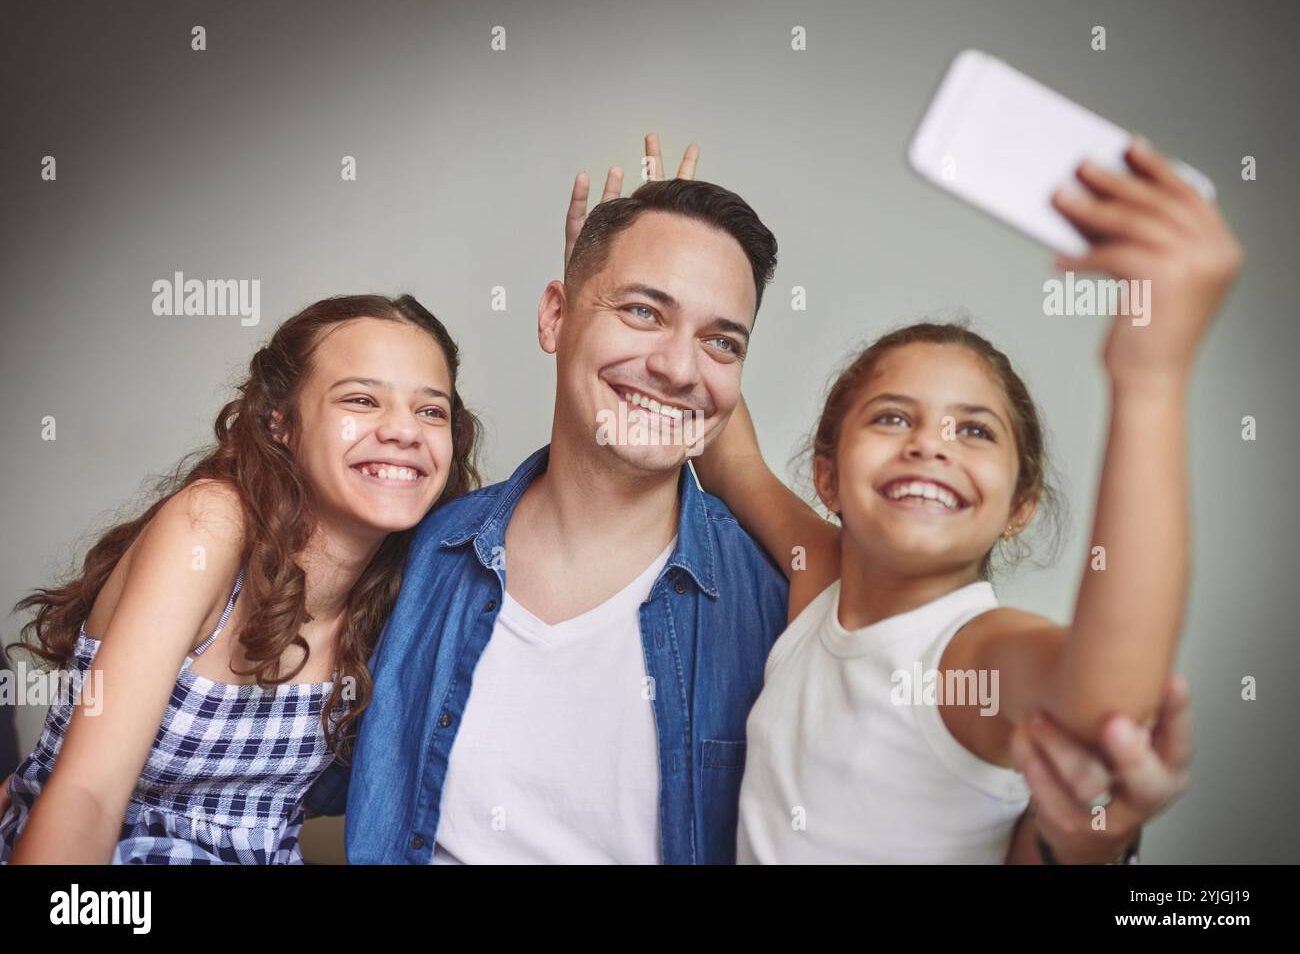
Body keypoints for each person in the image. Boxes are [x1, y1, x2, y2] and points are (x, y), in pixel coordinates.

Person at [302, 137, 1196, 864]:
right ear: (553, 315)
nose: (679, 363)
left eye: (721, 338)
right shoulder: (419, 549)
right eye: (645, 313)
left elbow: (1088, 702)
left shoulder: (794, 597)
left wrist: (1094, 832)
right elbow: (276, 771)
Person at [692, 138, 1241, 861]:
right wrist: (670, 256)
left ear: (1021, 504)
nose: (931, 443)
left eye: (974, 430)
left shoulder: (972, 655)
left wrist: (1151, 377)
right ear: (827, 474)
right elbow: (730, 455)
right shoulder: (817, 579)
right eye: (892, 416)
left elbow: (1111, 696)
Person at [0, 294, 481, 863]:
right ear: (280, 422)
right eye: (361, 398)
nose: (404, 430)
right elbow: (87, 796)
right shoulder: (212, 525)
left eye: (431, 411)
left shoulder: (411, 583)